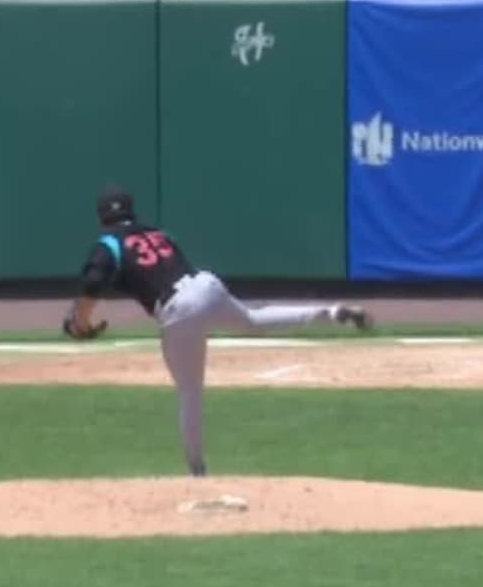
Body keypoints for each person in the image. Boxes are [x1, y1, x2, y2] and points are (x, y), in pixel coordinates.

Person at [62, 188, 373, 476]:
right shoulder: (158, 234)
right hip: (206, 285)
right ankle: (330, 312)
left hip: (179, 307)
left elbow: (93, 283)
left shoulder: (108, 244)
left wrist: (80, 322)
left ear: (101, 218)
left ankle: (197, 472)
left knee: (189, 390)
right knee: (253, 319)